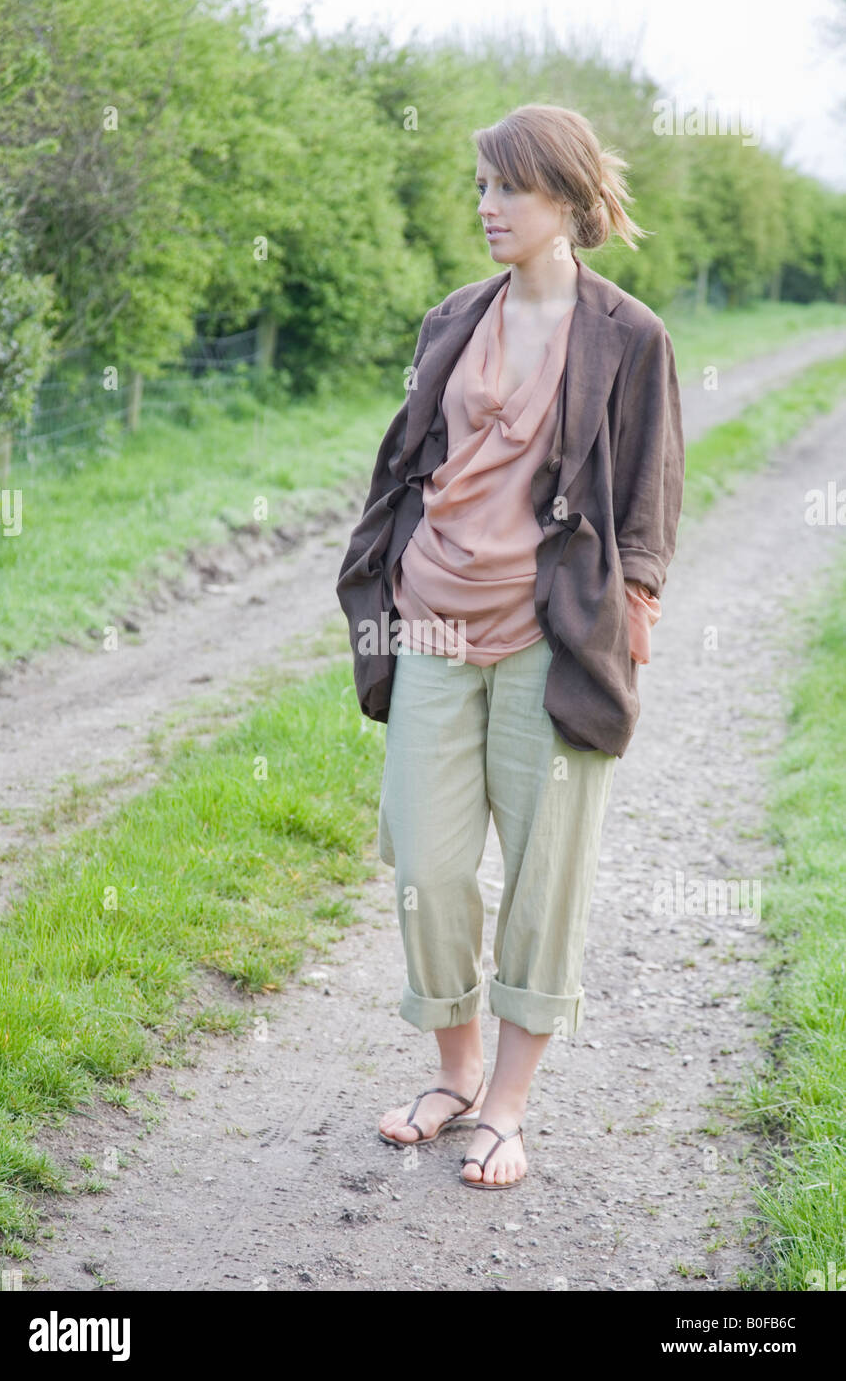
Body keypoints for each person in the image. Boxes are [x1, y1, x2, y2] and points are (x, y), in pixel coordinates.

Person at [335, 103, 685, 1188]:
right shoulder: (452, 317)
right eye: (481, 187)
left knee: (545, 874)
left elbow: (647, 492)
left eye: (508, 189)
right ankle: (454, 1071)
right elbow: (415, 456)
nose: (487, 207)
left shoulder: (629, 334)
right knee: (427, 870)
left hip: (550, 633)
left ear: (569, 202)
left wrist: (634, 608)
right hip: (434, 621)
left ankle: (509, 1107)